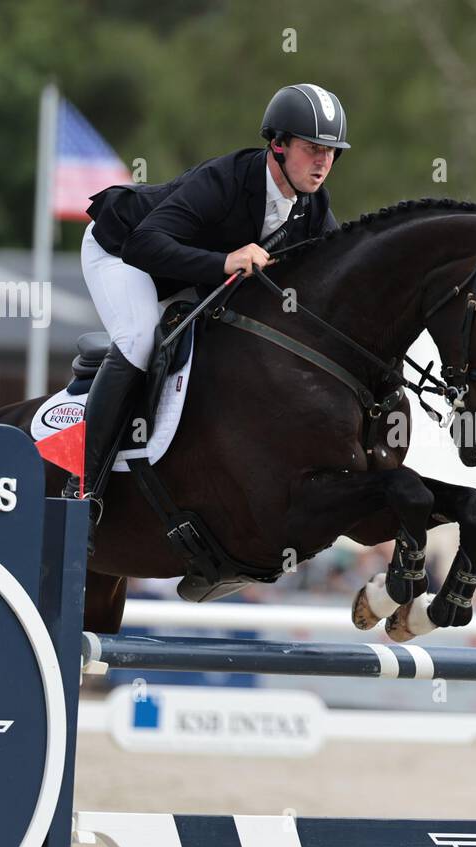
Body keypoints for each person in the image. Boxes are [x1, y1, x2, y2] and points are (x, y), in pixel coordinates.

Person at [68, 83, 351, 550]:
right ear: (277, 145)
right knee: (140, 339)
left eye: (331, 153)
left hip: (180, 272)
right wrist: (225, 261)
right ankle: (82, 496)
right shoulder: (225, 180)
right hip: (120, 249)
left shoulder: (313, 209)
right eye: (312, 149)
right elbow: (144, 245)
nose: (323, 163)